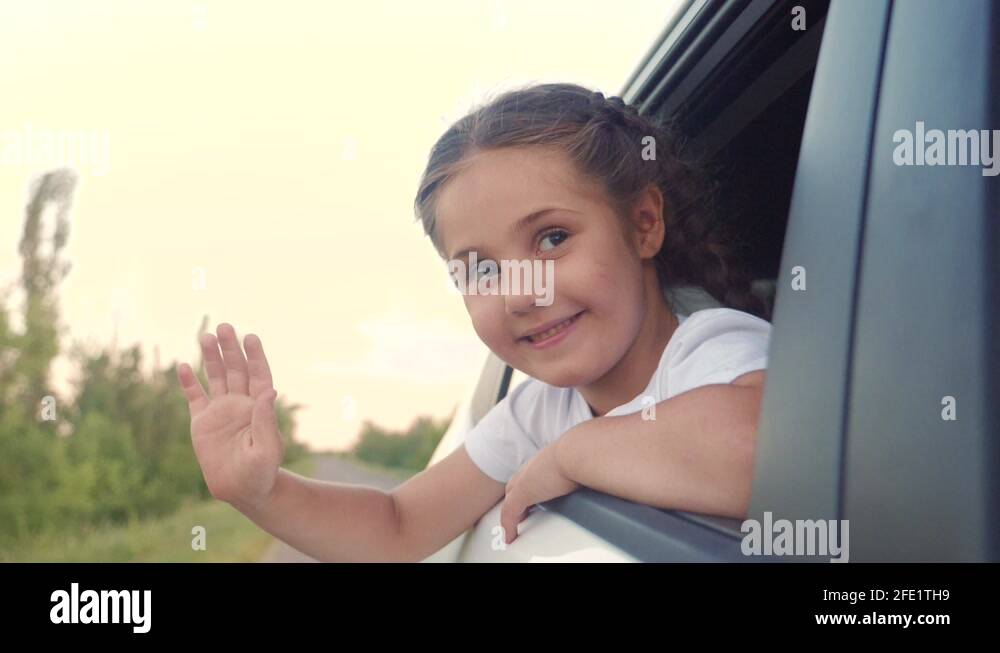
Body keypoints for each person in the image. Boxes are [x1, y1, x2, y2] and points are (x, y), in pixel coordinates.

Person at [175, 83, 771, 562]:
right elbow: (398, 527)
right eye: (481, 271)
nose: (518, 294)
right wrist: (262, 492)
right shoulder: (535, 411)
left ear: (643, 224)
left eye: (552, 238)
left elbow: (766, 454)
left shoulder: (713, 347)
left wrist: (572, 455)